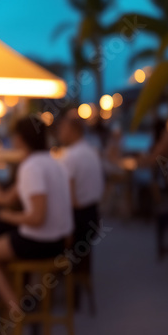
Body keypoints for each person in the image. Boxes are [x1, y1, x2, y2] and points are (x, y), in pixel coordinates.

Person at [0, 116, 73, 313]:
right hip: (63, 240)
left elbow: (37, 217)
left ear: (20, 138)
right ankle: (18, 296)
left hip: (43, 242)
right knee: (0, 237)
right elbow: (8, 198)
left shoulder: (31, 167)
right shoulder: (54, 162)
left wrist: (7, 216)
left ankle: (15, 308)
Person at [56, 111, 104, 311]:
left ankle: (56, 292)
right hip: (93, 216)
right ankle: (76, 288)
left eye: (62, 128)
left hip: (78, 219)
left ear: (73, 130)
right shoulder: (91, 151)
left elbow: (69, 197)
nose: (59, 132)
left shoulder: (70, 157)